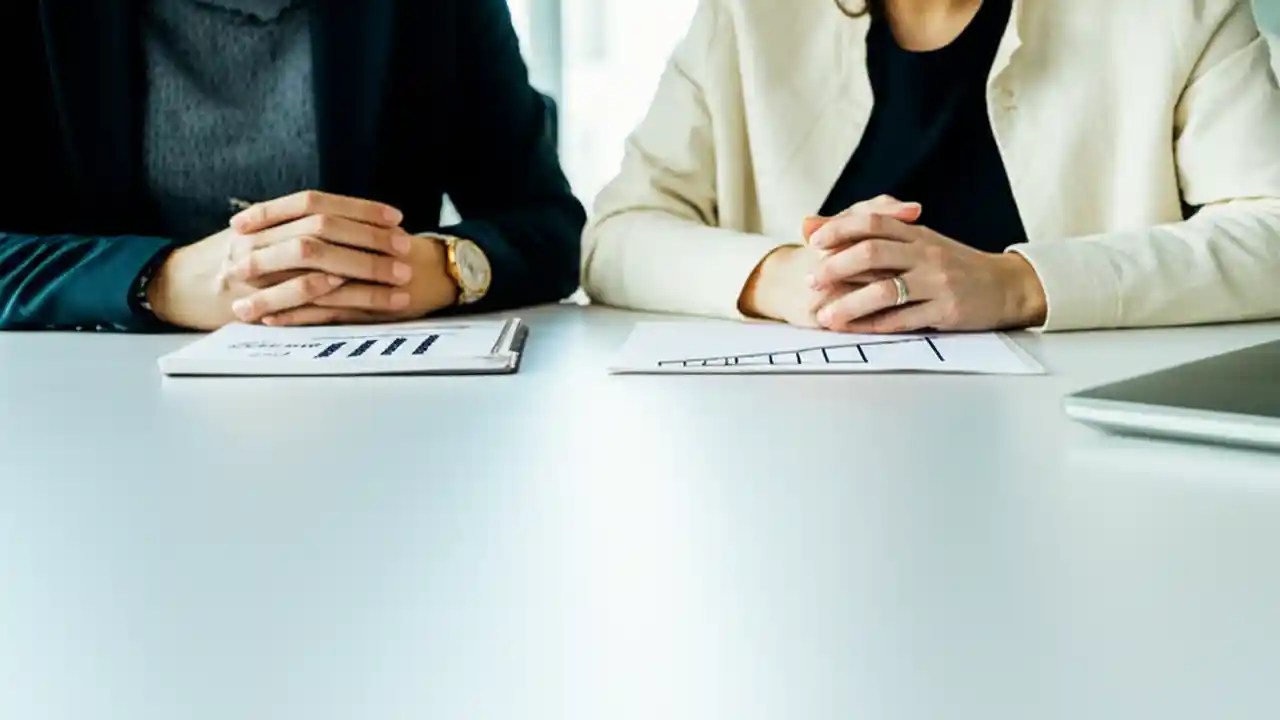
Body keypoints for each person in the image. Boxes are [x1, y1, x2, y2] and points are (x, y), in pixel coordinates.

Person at [582, 0, 1280, 333]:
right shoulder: (747, 17)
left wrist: (1017, 284)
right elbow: (615, 237)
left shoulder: (1179, 11)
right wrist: (787, 277)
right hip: (798, 462)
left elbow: (1271, 233)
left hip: (1086, 468)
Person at [0, 0, 584, 332]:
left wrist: (433, 268)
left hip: (373, 416)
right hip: (79, 421)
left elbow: (550, 229)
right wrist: (161, 281)